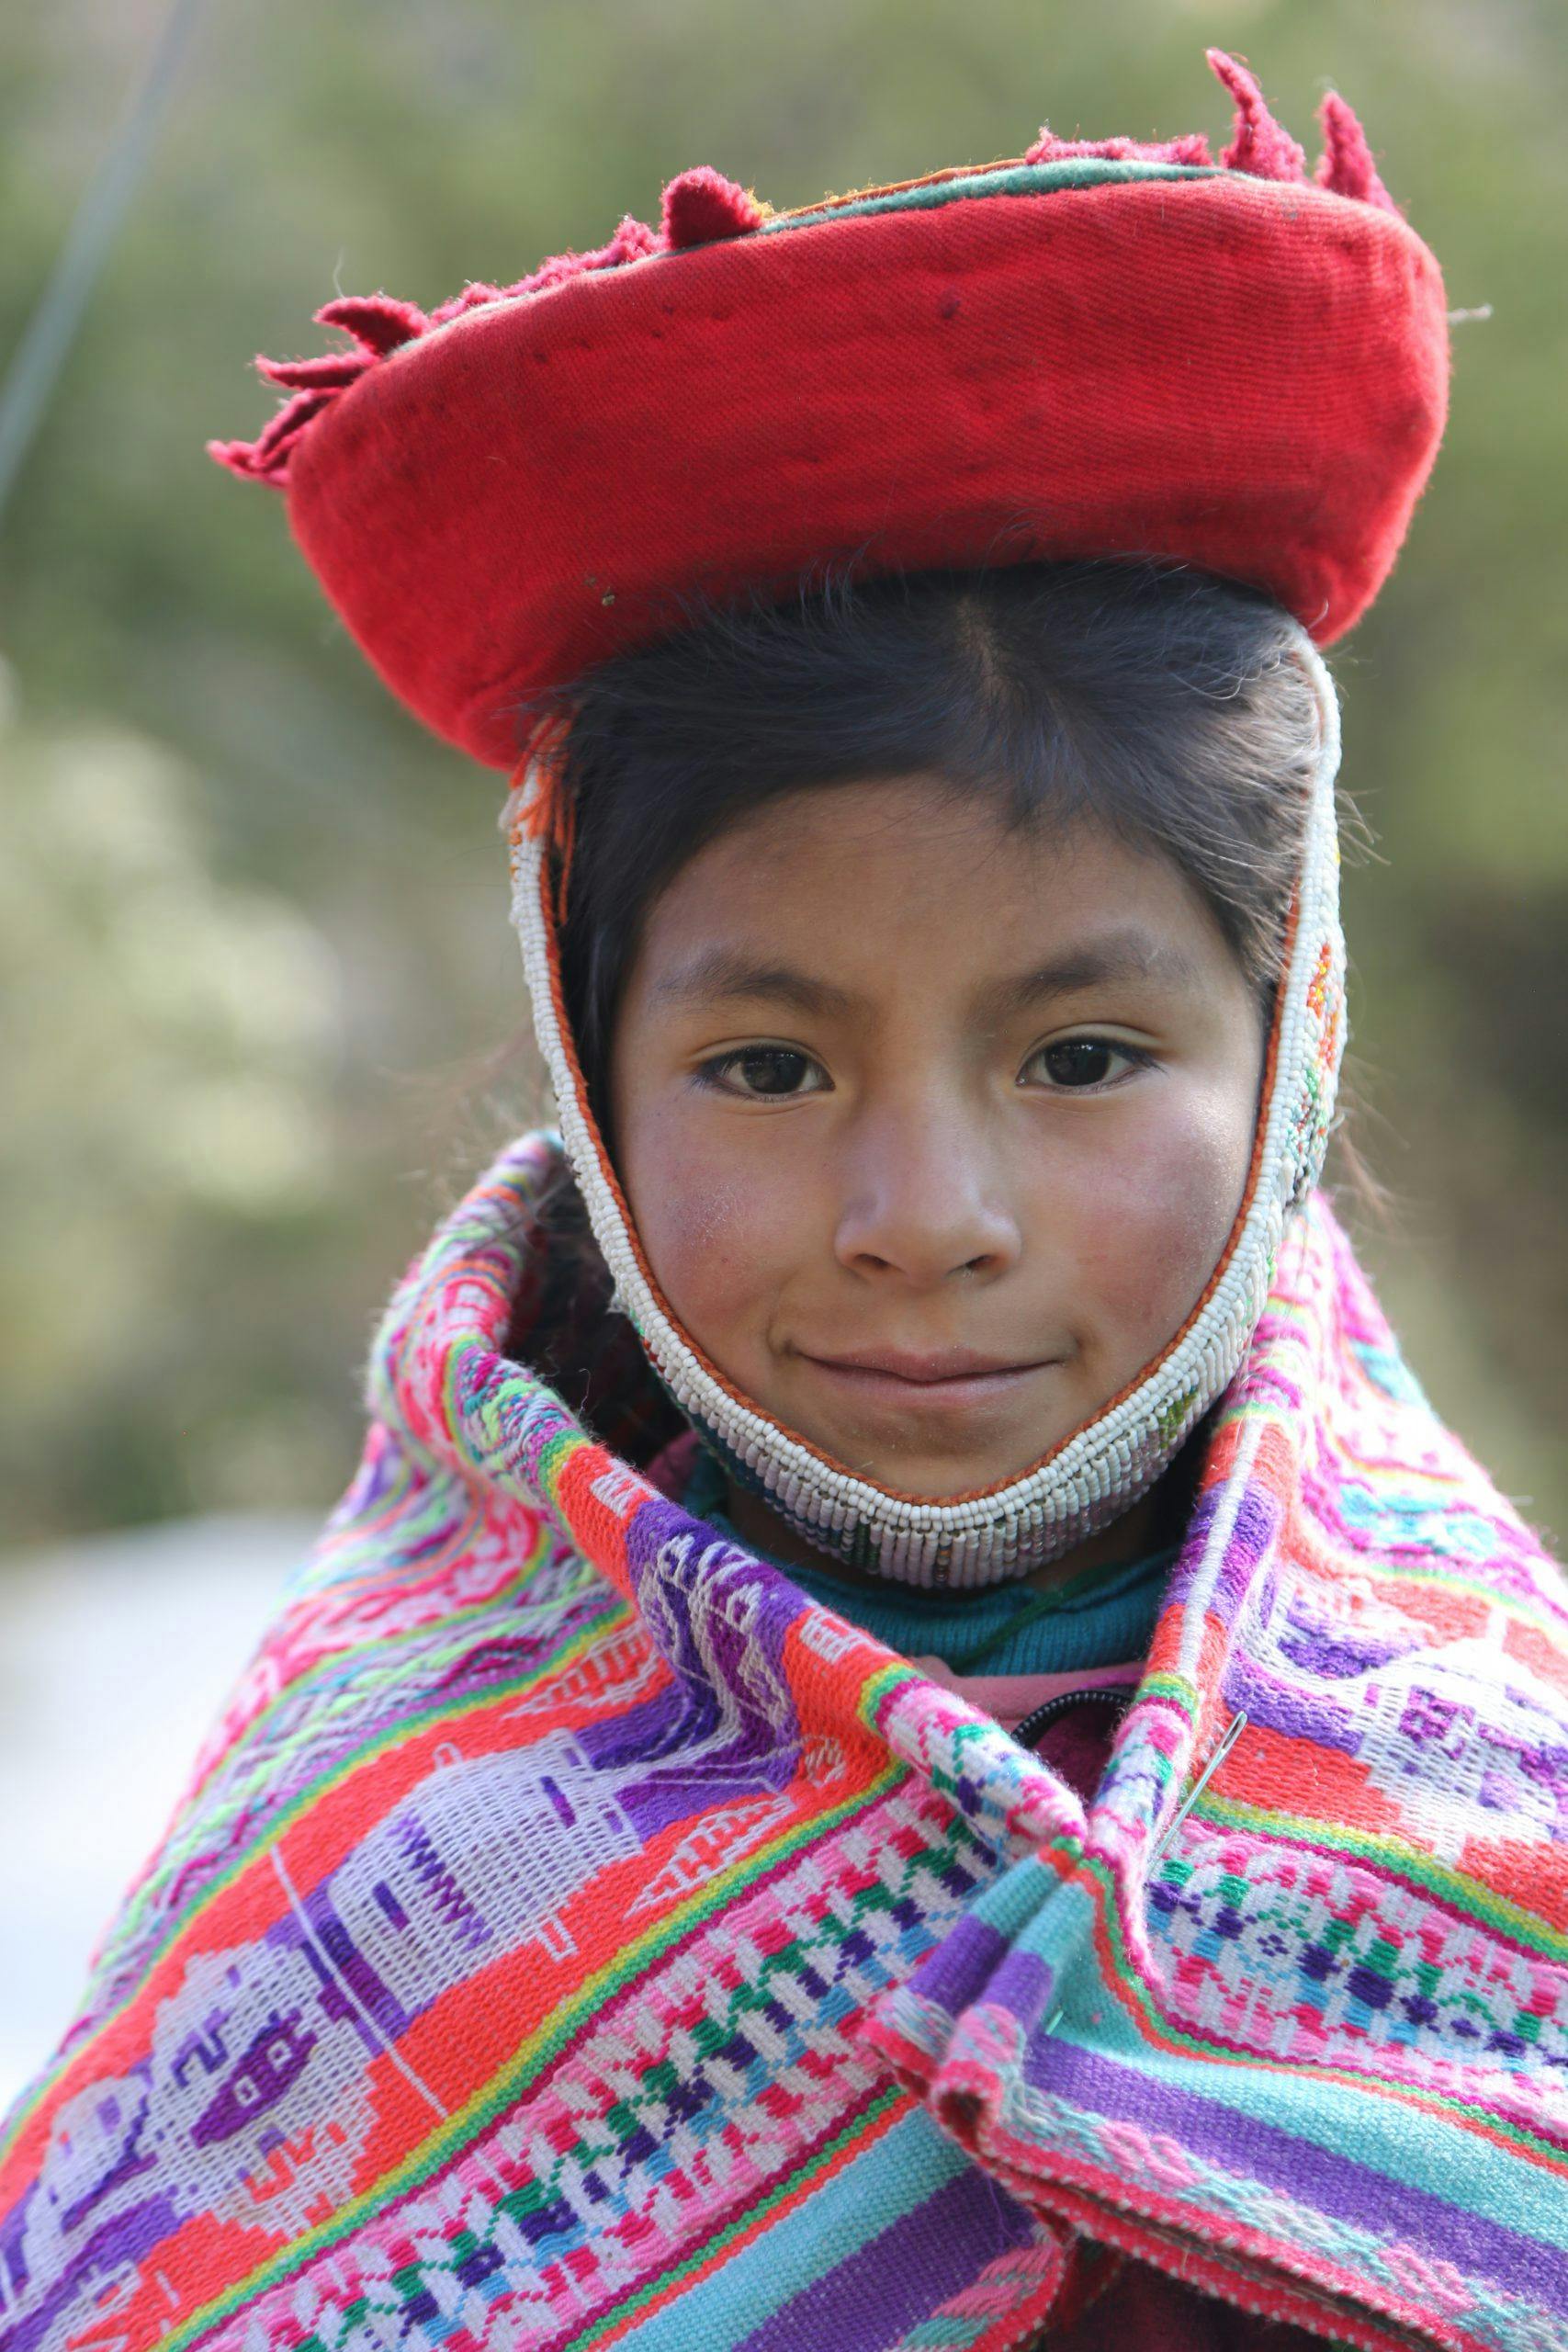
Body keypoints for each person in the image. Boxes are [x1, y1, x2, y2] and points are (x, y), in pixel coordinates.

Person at [3, 47, 1564, 2352]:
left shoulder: (1504, 1819)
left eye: (1080, 1055)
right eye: (765, 1066)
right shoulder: (361, 1896)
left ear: (1289, 1043)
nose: (920, 1212)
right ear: (590, 1078)